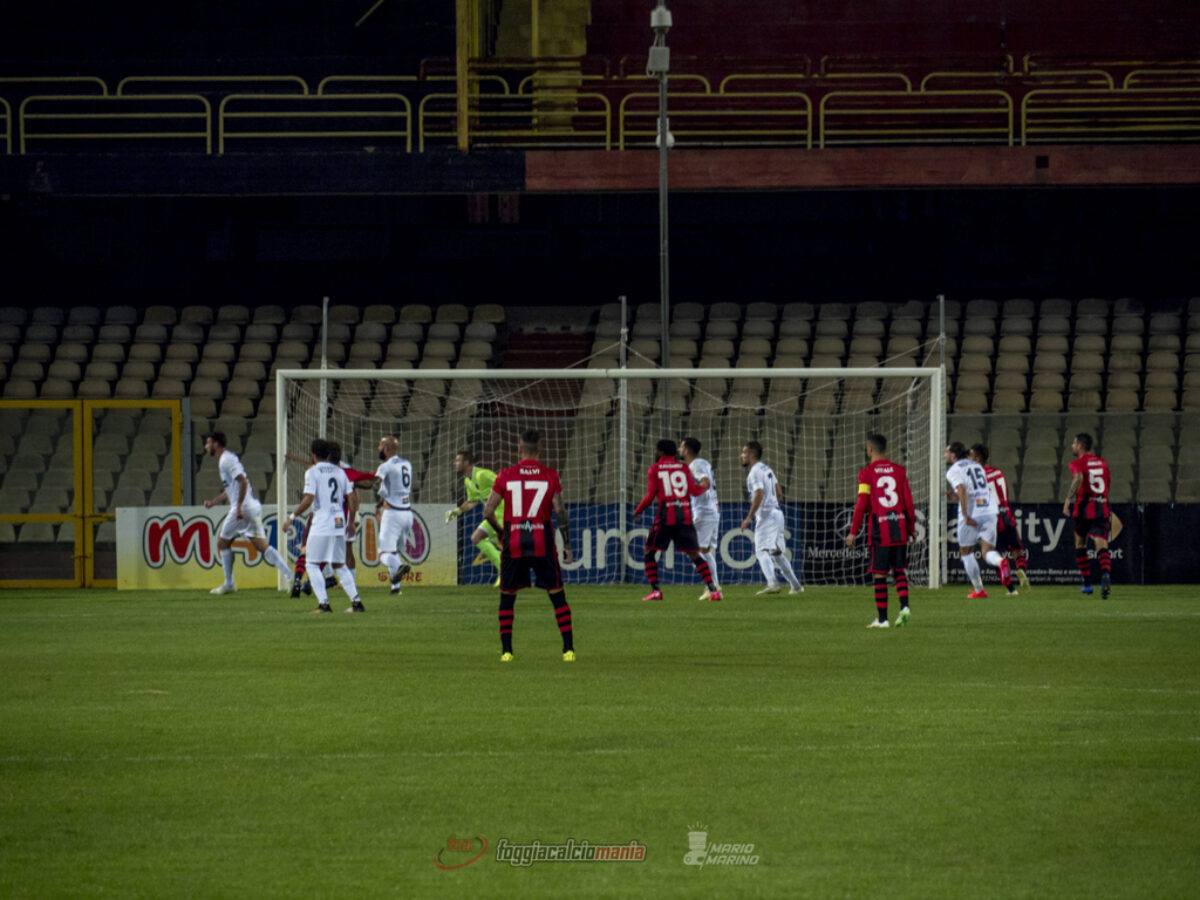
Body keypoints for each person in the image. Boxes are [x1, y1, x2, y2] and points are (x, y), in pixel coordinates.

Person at [480, 430, 575, 662]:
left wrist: (501, 532)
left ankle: (507, 652)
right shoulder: (550, 475)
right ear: (540, 448)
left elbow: (488, 511)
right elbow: (560, 511)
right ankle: (568, 651)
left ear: (519, 448)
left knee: (507, 597)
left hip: (514, 543)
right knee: (557, 596)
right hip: (542, 542)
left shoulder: (505, 475)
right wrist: (567, 544)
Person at [202, 432, 293, 594]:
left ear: (216, 444)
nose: (206, 446)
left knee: (222, 543)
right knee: (262, 546)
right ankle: (291, 576)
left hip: (243, 508)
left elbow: (243, 481)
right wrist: (214, 501)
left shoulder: (226, 460)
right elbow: (232, 488)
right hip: (250, 506)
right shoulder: (227, 459)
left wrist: (238, 507)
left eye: (208, 443)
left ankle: (229, 584)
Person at [632, 439, 722, 603]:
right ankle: (713, 590)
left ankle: (656, 591)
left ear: (660, 452)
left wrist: (638, 511)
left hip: (665, 517)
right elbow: (694, 491)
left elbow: (650, 495)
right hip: (685, 517)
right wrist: (704, 487)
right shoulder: (683, 468)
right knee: (695, 554)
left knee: (649, 551)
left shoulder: (654, 469)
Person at [282, 439, 363, 614]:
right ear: (327, 454)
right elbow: (351, 498)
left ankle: (324, 605)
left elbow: (309, 498)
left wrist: (292, 517)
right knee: (339, 564)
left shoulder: (312, 472)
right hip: (339, 523)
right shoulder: (340, 472)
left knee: (311, 564)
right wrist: (350, 522)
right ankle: (357, 603)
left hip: (322, 523)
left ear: (312, 455)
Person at [845, 433, 916, 628]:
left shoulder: (866, 473)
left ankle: (883, 619)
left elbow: (861, 504)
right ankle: (904, 607)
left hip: (880, 527)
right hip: (899, 525)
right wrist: (911, 528)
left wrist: (853, 531)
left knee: (880, 574)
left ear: (869, 450)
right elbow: (909, 503)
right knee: (899, 570)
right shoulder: (899, 471)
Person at [944, 441, 1006, 598]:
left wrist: (965, 515)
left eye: (947, 452)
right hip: (990, 509)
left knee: (966, 552)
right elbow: (974, 489)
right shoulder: (977, 466)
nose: (944, 455)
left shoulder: (953, 470)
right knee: (987, 552)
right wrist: (956, 495)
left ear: (953, 455)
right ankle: (1000, 562)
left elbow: (963, 489)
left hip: (972, 513)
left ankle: (979, 590)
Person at [740, 441, 802, 595]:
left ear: (752, 454)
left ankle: (772, 582)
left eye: (744, 452)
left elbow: (759, 494)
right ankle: (796, 586)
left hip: (767, 515)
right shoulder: (767, 468)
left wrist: (749, 517)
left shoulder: (754, 472)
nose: (742, 455)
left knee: (761, 551)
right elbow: (779, 492)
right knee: (777, 553)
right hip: (777, 513)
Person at [969, 443, 1031, 595]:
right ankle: (1021, 569)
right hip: (1006, 514)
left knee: (992, 554)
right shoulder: (998, 472)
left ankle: (1011, 589)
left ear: (977, 459)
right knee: (1017, 549)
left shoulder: (976, 477)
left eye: (970, 456)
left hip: (991, 518)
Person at [1062, 432, 1112, 598]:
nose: (1072, 446)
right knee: (1101, 543)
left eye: (1074, 443)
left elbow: (1078, 478)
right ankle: (1105, 574)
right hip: (1101, 505)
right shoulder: (1103, 462)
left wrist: (1068, 499)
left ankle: (1087, 583)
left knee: (1080, 544)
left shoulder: (1077, 463)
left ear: (1080, 446)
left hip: (1083, 507)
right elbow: (1107, 482)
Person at [445, 449, 503, 587]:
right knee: (479, 539)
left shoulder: (483, 474)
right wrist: (456, 511)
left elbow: (503, 484)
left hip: (502, 512)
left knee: (478, 538)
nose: (454, 463)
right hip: (493, 515)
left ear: (466, 462)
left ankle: (504, 569)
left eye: (458, 460)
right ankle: (505, 569)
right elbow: (472, 501)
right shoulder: (468, 481)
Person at [679, 436, 721, 601]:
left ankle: (712, 587)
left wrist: (694, 490)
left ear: (687, 450)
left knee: (695, 551)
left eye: (681, 447)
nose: (679, 450)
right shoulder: (703, 463)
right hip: (710, 510)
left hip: (704, 512)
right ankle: (713, 586)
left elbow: (705, 482)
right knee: (704, 551)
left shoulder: (695, 465)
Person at [375, 435, 414, 595]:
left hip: (392, 515)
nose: (378, 448)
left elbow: (374, 483)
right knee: (394, 552)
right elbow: (394, 488)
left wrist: (354, 482)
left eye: (380, 446)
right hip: (408, 514)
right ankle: (395, 588)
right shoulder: (407, 464)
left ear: (386, 449)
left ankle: (399, 567)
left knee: (383, 554)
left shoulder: (385, 466)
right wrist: (380, 503)